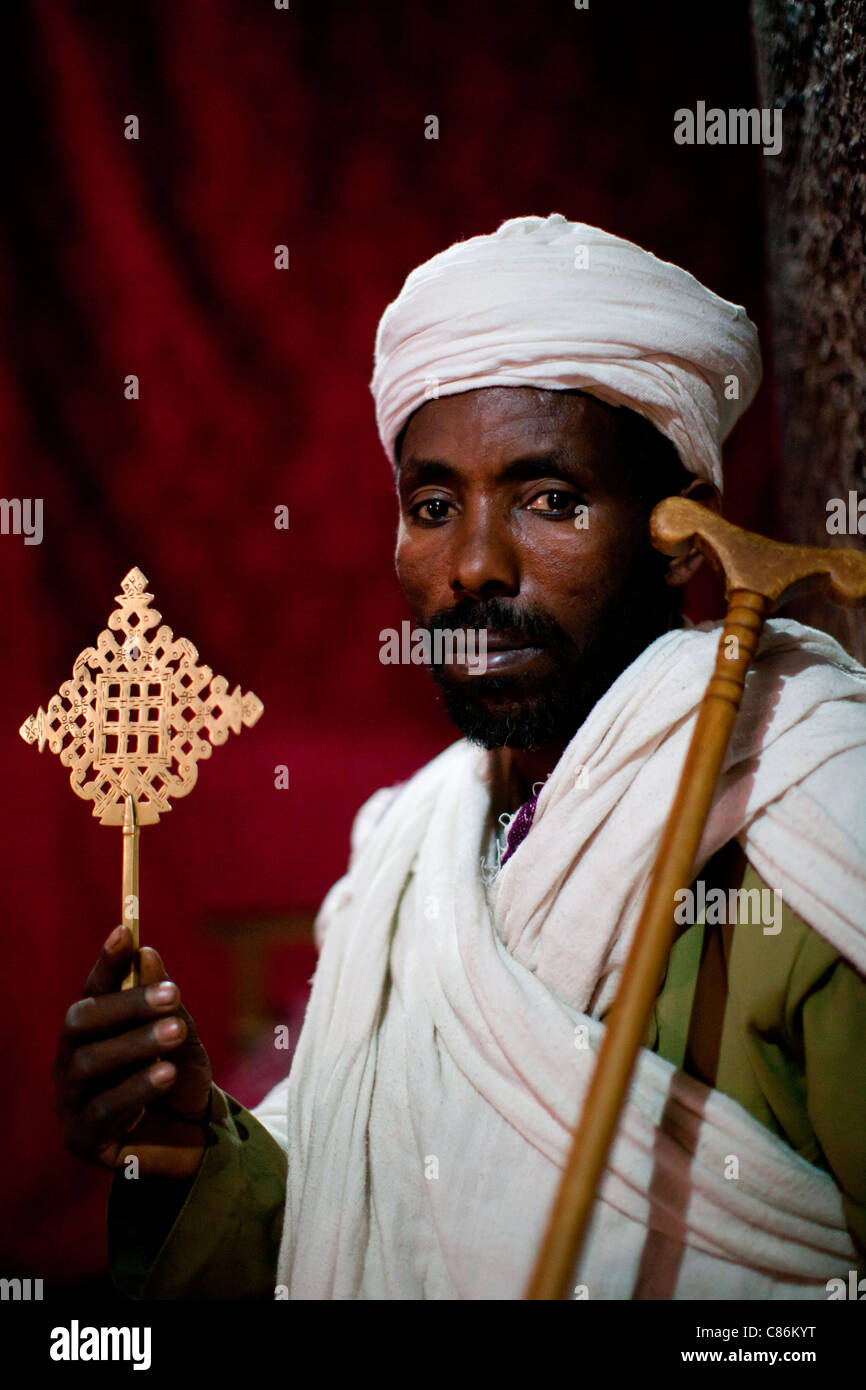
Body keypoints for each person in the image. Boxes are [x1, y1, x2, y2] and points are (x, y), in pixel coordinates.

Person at [53, 215, 866, 1300]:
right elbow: (350, 1227)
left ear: (684, 535)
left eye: (550, 501)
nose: (472, 566)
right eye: (432, 506)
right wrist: (190, 1152)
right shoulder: (407, 847)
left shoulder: (803, 811)